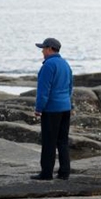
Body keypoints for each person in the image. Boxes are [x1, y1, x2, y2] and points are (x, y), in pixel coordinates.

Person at [32, 37, 74, 180]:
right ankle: (64, 172)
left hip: (52, 109)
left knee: (49, 141)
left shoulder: (48, 66)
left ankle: (46, 173)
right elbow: (70, 88)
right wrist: (70, 104)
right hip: (65, 108)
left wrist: (39, 108)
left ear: (50, 49)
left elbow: (44, 90)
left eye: (43, 48)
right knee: (62, 141)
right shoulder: (65, 64)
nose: (42, 51)